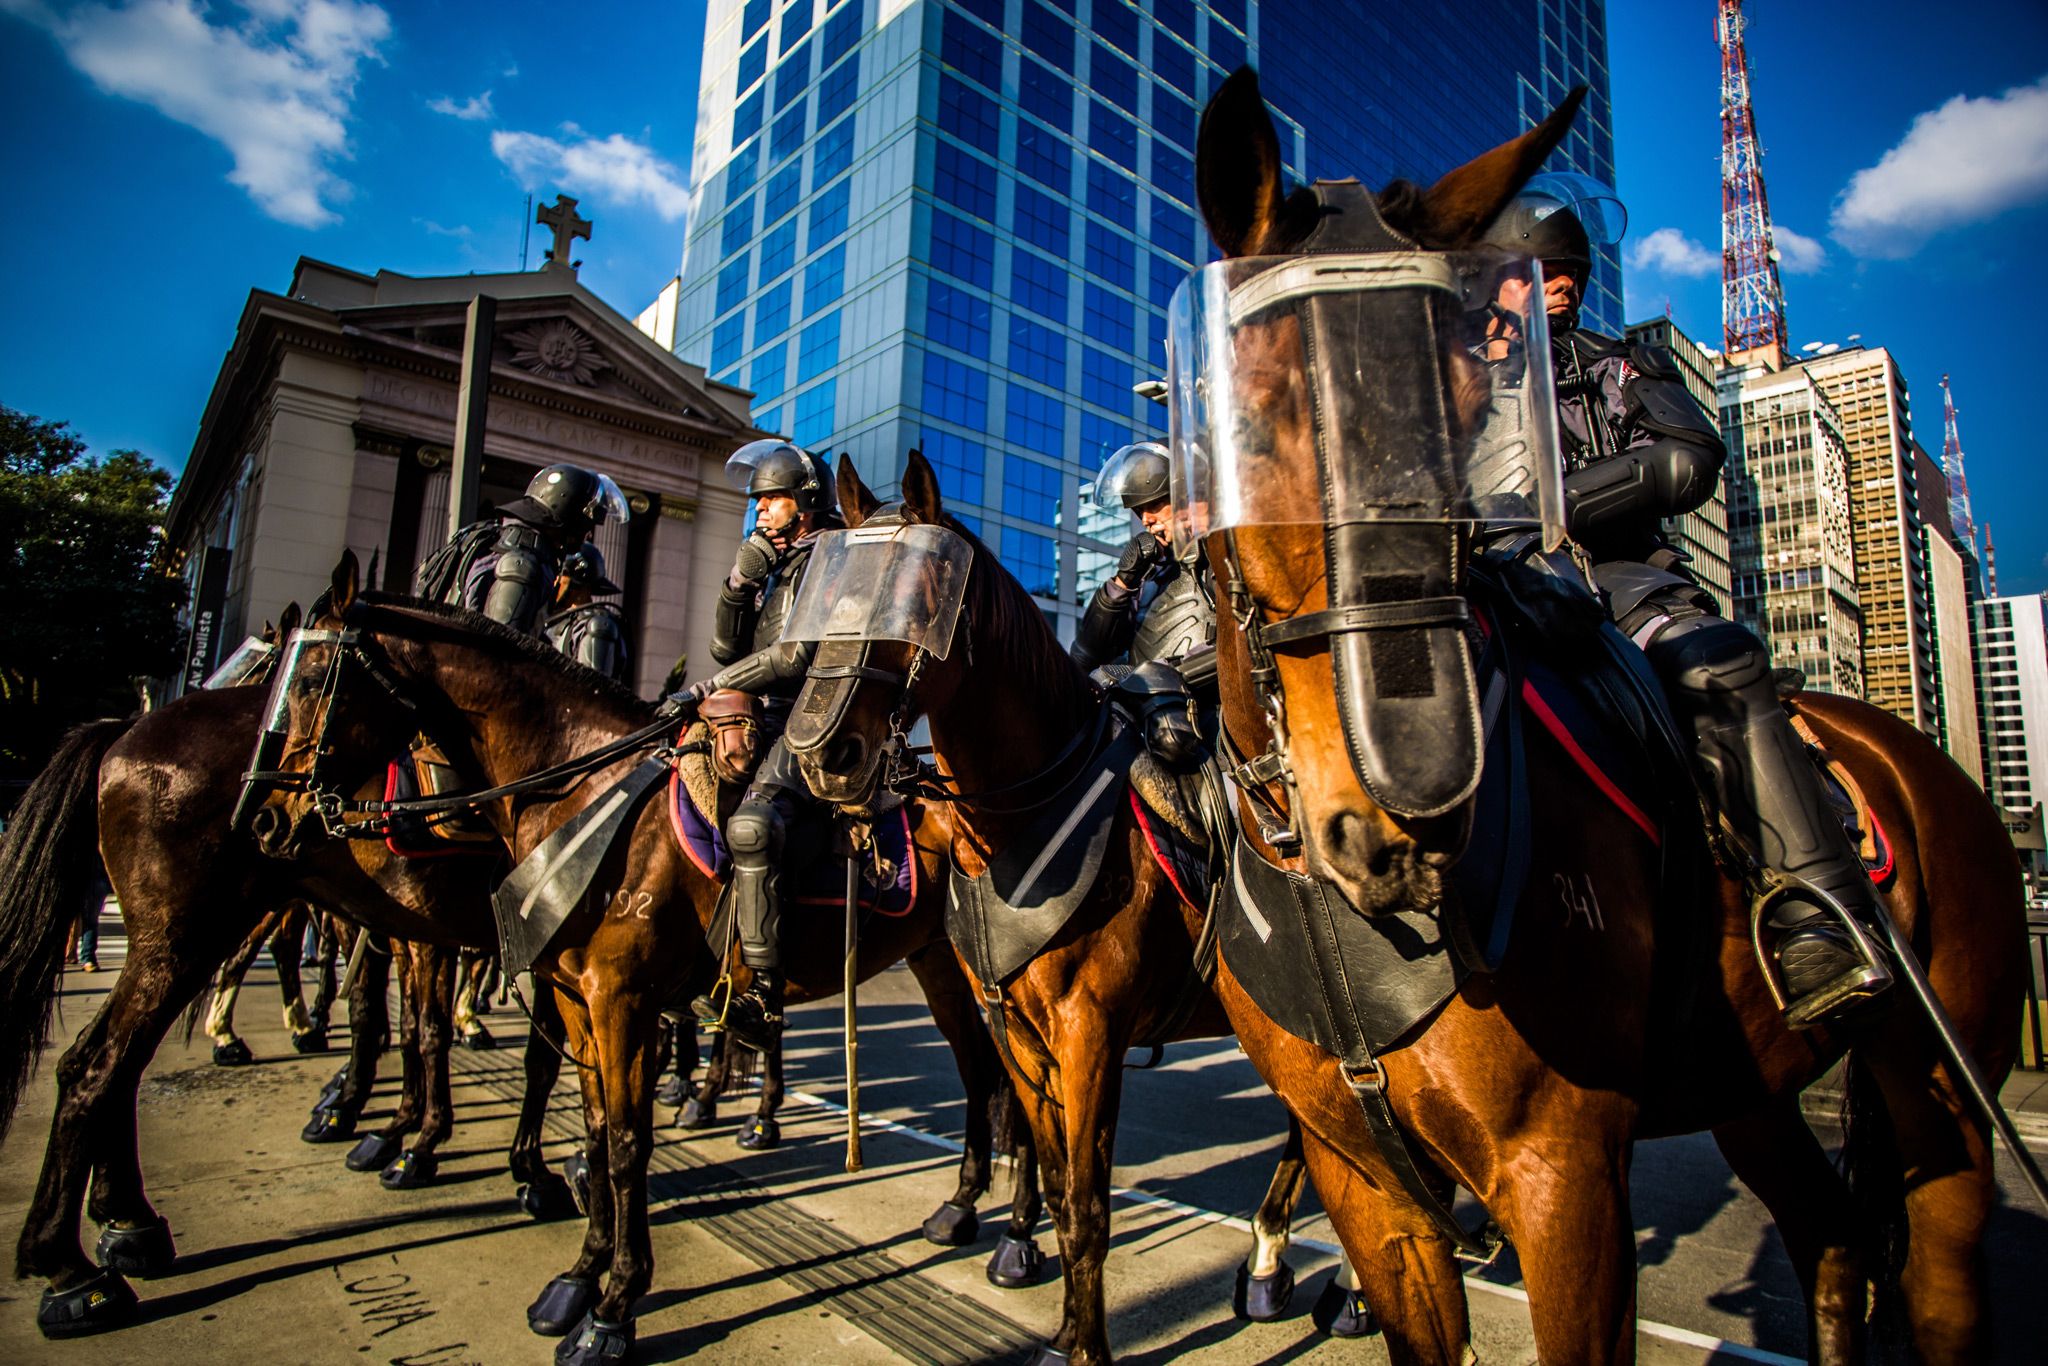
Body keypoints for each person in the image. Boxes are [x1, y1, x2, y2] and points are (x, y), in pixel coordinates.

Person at [1482, 174, 1892, 1029]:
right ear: (1496, 280)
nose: (1565, 285)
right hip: (1485, 588)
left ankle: (1819, 914)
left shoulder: (1619, 364)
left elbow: (1685, 459)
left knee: (1719, 663)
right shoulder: (1447, 387)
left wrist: (1546, 504)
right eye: (1542, 270)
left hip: (1616, 583)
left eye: (1572, 273)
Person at [667, 440, 845, 1050]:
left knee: (751, 827)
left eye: (773, 499)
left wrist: (708, 689)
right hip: (759, 713)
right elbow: (729, 649)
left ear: (806, 502)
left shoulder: (830, 555)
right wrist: (740, 584)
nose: (762, 510)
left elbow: (795, 657)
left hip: (813, 715)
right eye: (760, 500)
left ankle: (764, 998)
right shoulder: (780, 562)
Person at [1071, 441, 1216, 764]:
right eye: (1139, 511)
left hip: (1213, 722)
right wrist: (1124, 581)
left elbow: (1244, 647)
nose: (1146, 519)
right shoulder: (1151, 573)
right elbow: (1084, 659)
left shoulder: (1224, 555)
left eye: (1157, 503)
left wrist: (1154, 674)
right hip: (1141, 721)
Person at [413, 464, 629, 633]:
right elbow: (501, 656)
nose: (588, 535)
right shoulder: (523, 565)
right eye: (588, 524)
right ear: (571, 515)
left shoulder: (492, 538)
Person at [543, 542, 632, 684]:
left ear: (577, 578)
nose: (554, 581)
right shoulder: (554, 621)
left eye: (559, 574)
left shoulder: (595, 627)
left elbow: (592, 694)